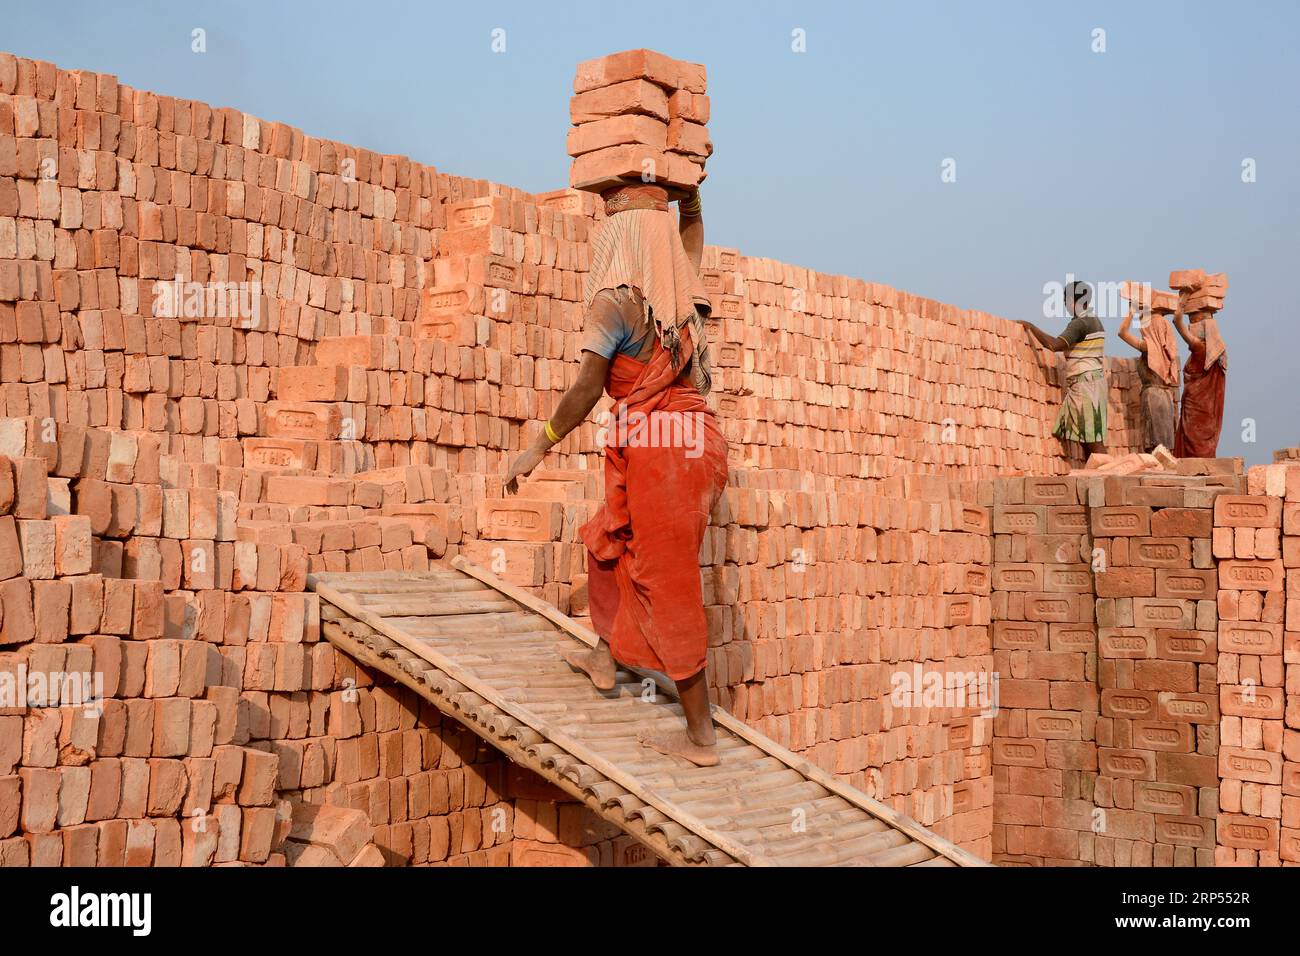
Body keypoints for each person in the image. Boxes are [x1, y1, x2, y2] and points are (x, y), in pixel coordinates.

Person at [503, 184, 729, 767]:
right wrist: (693, 204)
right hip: (686, 443)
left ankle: (701, 737)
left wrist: (538, 447)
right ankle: (606, 656)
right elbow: (691, 245)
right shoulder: (675, 288)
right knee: (609, 537)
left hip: (663, 453)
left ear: (616, 238)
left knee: (665, 581)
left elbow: (584, 389)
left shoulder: (616, 302)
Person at [1019, 281, 1109, 460]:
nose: (1063, 304)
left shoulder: (1080, 323)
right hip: (1093, 382)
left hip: (1085, 385)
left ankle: (1110, 478)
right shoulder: (1094, 320)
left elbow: (1053, 345)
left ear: (1071, 300)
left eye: (1064, 299)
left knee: (1092, 439)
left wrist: (1030, 326)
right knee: (1085, 436)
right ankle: (1096, 475)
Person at [1117, 304, 1180, 452]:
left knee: (1153, 445)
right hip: (1166, 399)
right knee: (1165, 445)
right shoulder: (1167, 352)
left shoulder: (1147, 347)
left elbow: (1122, 332)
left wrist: (1132, 310)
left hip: (1152, 398)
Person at [1172, 293, 1227, 458]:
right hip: (1207, 412)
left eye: (1195, 322)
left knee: (1194, 444)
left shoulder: (1200, 348)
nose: (1192, 326)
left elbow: (1177, 322)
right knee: (1203, 443)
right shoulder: (1217, 355)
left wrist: (1181, 304)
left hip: (1196, 409)